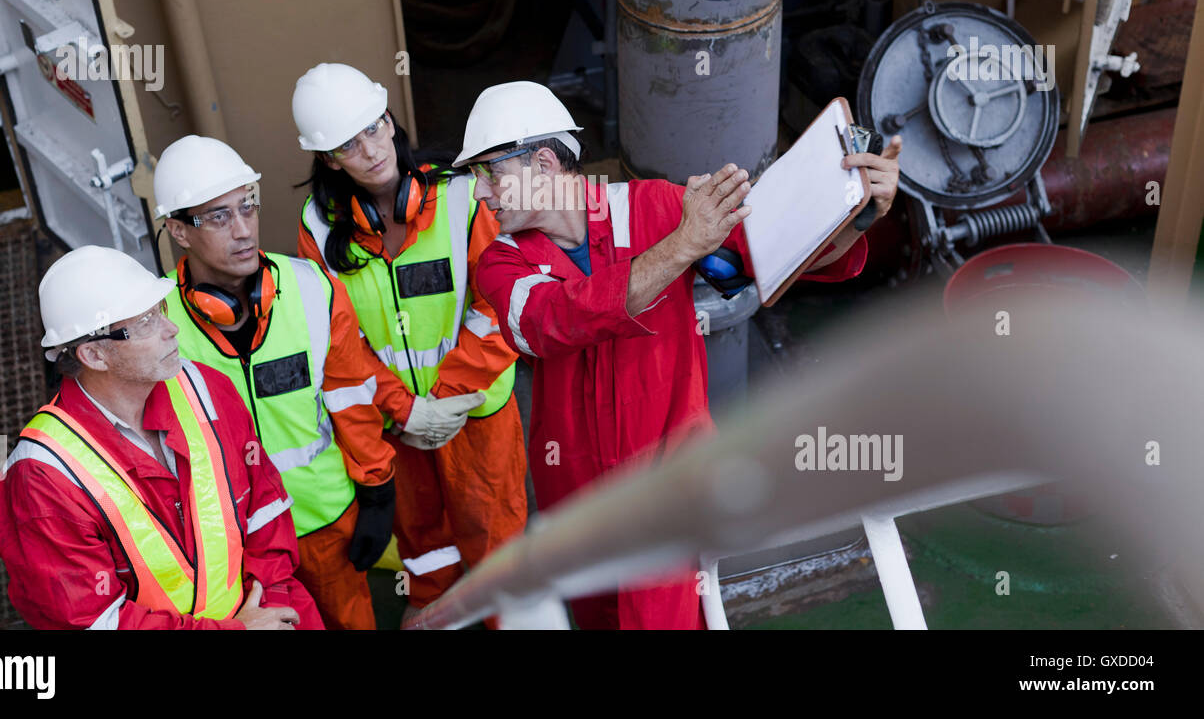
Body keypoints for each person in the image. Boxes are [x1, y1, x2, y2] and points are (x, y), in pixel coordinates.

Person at [456, 81, 903, 629]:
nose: (481, 194)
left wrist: (857, 214)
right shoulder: (500, 264)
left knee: (658, 619)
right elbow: (551, 322)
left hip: (670, 482)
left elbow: (776, 251)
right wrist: (684, 245)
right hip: (574, 493)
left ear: (544, 164)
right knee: (597, 619)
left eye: (489, 174)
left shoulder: (657, 206)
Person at [292, 63, 528, 620]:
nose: (372, 150)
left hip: (474, 416)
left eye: (375, 128)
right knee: (422, 545)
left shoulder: (466, 195)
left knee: (498, 541)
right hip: (398, 425)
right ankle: (436, 614)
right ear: (328, 160)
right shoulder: (319, 228)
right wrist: (407, 410)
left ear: (391, 120)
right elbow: (339, 341)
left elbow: (500, 307)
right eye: (349, 145)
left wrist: (441, 398)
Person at [0, 245, 320, 629]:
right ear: (94, 355)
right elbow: (96, 620)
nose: (172, 328)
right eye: (146, 321)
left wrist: (272, 605)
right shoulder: (43, 477)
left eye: (160, 310)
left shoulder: (206, 388)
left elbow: (265, 508)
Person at [153, 135, 396, 630]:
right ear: (178, 230)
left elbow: (351, 397)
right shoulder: (157, 321)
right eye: (218, 217)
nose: (243, 230)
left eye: (248, 206)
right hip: (230, 541)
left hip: (324, 517)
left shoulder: (311, 287)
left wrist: (377, 490)